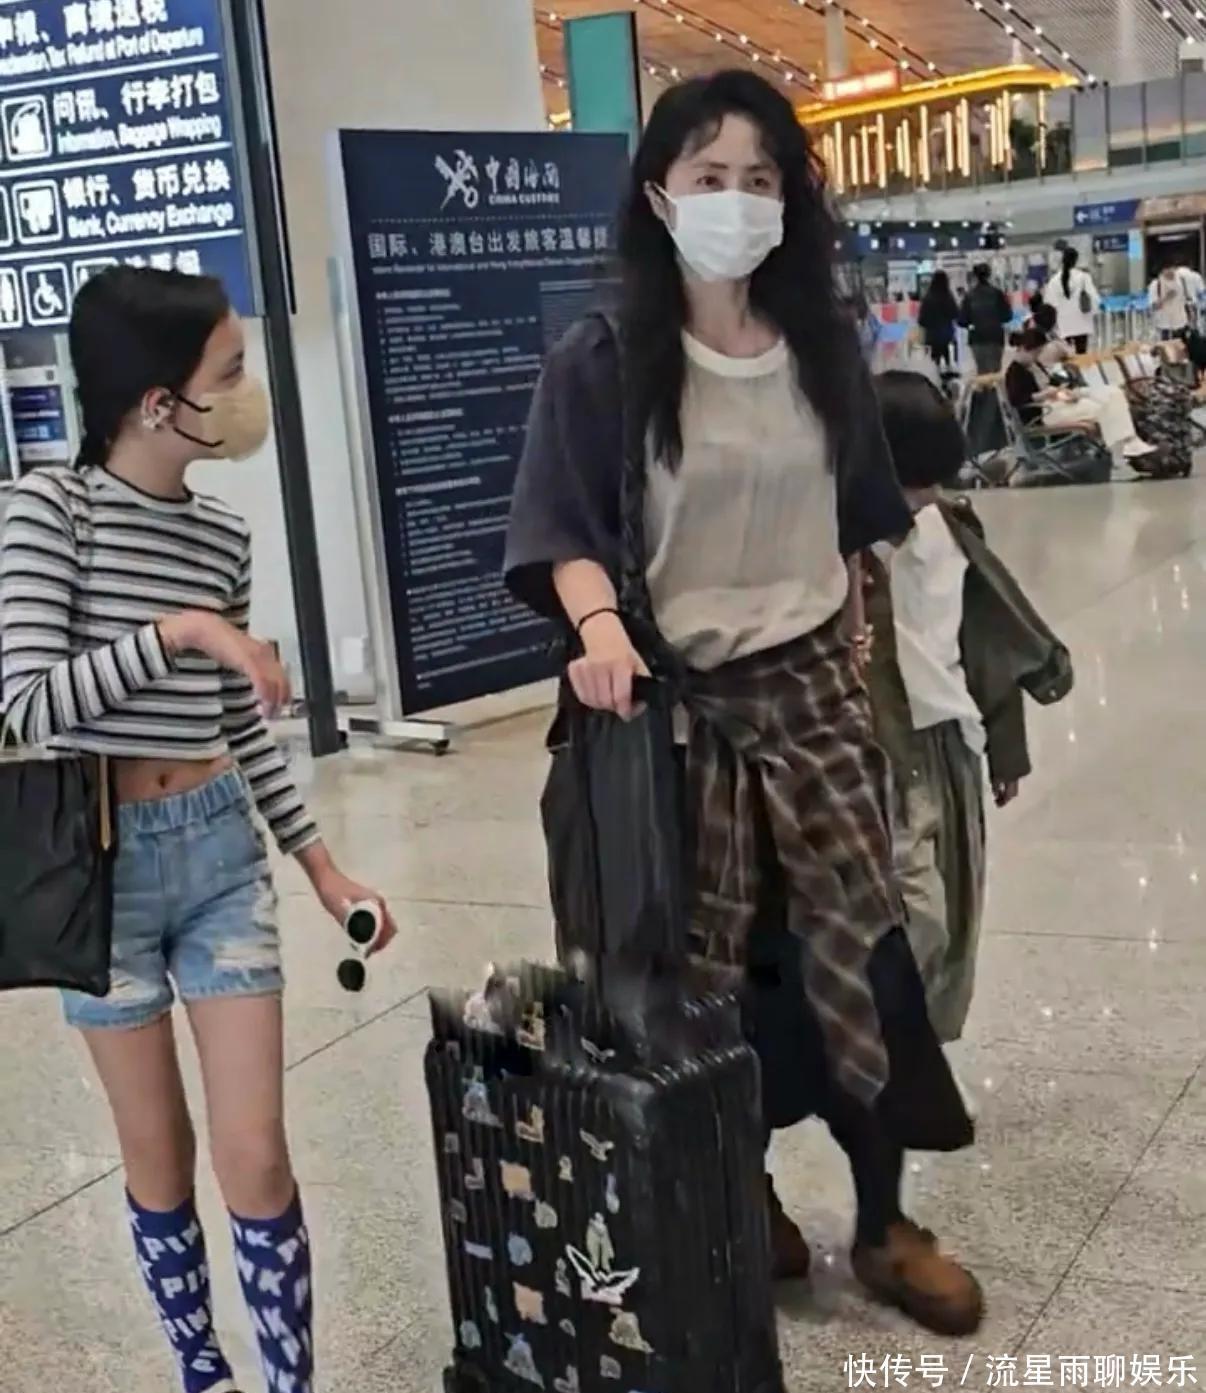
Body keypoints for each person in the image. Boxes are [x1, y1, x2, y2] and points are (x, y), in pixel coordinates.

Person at [506, 69, 982, 1336]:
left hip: (813, 703)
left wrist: (869, 640)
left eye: (759, 178)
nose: (735, 200)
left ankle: (884, 1221)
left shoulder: (819, 345)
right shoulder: (607, 357)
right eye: (709, 176)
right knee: (706, 979)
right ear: (660, 195)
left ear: (790, 198)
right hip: (678, 715)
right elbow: (563, 528)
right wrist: (599, 629)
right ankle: (747, 1192)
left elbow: (862, 517)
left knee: (864, 958)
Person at [0, 266, 397, 1393]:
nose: (244, 392)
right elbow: (25, 704)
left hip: (220, 851)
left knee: (256, 1154)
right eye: (229, 371)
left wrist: (323, 867)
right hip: (99, 871)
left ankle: (288, 1384)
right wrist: (183, 631)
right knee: (159, 1154)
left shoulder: (221, 535)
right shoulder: (48, 511)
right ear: (155, 400)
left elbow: (241, 723)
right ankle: (203, 1372)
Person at [864, 372, 1071, 1042]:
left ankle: (920, 1056)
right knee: (913, 914)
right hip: (879, 752)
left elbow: (984, 644)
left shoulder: (952, 528)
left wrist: (1006, 749)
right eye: (910, 481)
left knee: (955, 922)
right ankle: (881, 1048)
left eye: (932, 480)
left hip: (952, 741)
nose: (922, 497)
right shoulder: (839, 549)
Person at [1005, 326, 1157, 460]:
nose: (1037, 357)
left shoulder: (1034, 367)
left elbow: (1051, 384)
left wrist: (1061, 390)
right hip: (1046, 413)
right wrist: (1046, 394)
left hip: (1057, 404)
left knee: (1114, 392)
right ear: (1023, 349)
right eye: (1036, 352)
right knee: (1104, 407)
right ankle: (1125, 445)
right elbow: (1017, 400)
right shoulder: (1015, 372)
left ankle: (1130, 441)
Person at [958, 263, 1013, 374]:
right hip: (995, 336)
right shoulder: (997, 294)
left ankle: (984, 384)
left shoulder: (969, 296)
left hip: (977, 338)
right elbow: (1007, 316)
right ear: (989, 275)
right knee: (995, 370)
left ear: (975, 276)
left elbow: (962, 320)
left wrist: (972, 324)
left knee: (982, 371)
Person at [1044, 247, 1099, 354]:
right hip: (1082, 322)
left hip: (1063, 324)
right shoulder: (1084, 277)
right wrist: (1094, 311)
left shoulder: (1054, 281)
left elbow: (1049, 303)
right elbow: (1094, 298)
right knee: (1081, 354)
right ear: (1076, 260)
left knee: (1066, 354)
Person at [918, 270, 960, 371]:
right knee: (946, 350)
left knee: (935, 354)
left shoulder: (928, 297)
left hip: (932, 333)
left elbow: (922, 319)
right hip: (946, 332)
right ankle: (948, 366)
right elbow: (955, 313)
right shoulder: (948, 296)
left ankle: (935, 371)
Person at [1149, 263, 1193, 340]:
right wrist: (1166, 298)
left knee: (1182, 346)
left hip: (1182, 323)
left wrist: (1190, 314)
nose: (1171, 271)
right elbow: (1154, 306)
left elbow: (1187, 299)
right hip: (1165, 325)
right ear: (1162, 271)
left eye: (1172, 268)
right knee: (1167, 346)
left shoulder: (1181, 281)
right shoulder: (1156, 284)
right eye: (1167, 269)